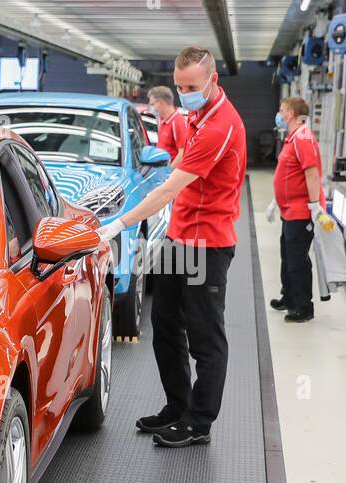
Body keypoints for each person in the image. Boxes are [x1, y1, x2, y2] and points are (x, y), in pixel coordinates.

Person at [97, 45, 246, 448]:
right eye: (179, 87)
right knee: (164, 324)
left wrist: (118, 223)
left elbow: (168, 189)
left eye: (191, 86)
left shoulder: (220, 126)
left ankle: (199, 422)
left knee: (205, 336)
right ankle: (177, 406)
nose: (184, 94)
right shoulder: (195, 115)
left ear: (213, 81)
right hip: (178, 237)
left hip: (207, 245)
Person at [266, 97, 326, 323]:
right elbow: (289, 175)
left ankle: (303, 307)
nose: (279, 114)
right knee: (287, 255)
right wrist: (276, 200)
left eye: (281, 110)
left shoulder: (303, 138)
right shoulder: (292, 138)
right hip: (289, 210)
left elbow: (311, 173)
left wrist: (314, 206)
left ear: (290, 113)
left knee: (297, 259)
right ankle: (288, 297)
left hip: (301, 211)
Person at [147, 85, 190, 168]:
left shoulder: (177, 121)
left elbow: (183, 152)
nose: (150, 107)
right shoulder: (162, 121)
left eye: (152, 104)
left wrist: (169, 172)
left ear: (161, 103)